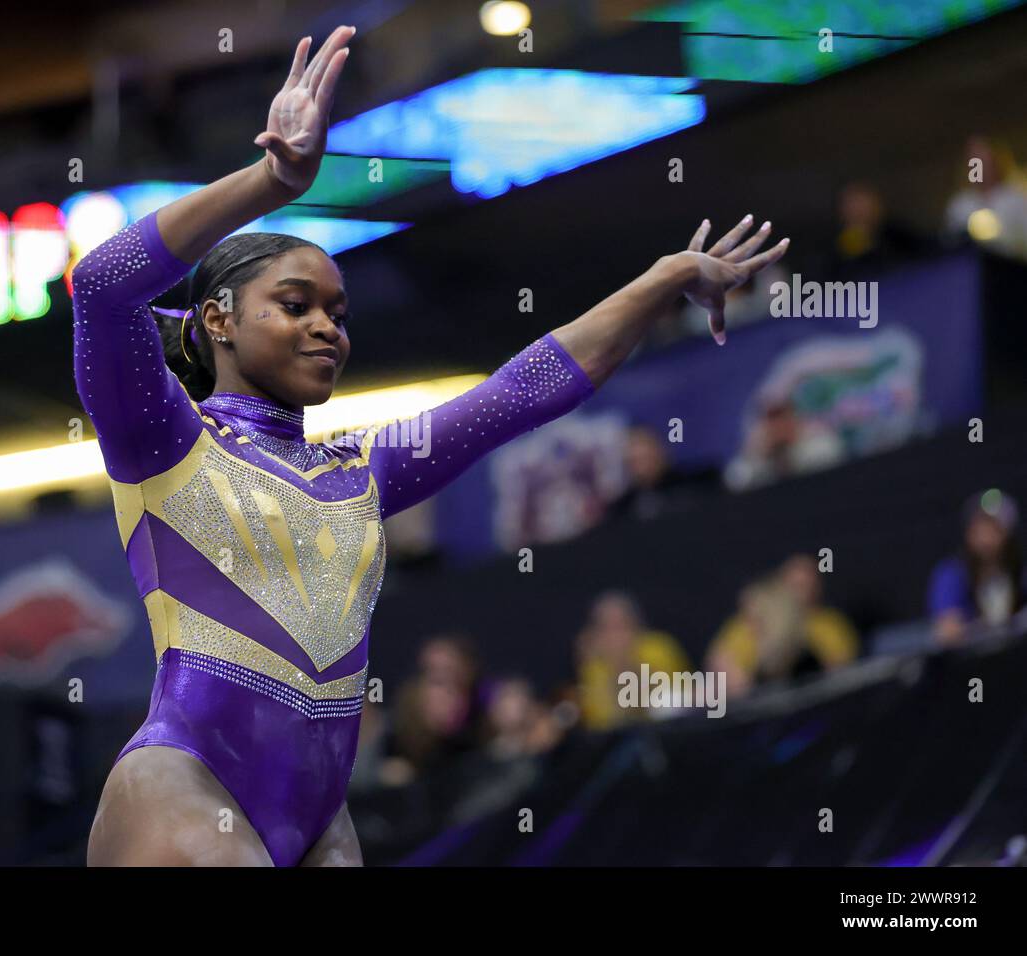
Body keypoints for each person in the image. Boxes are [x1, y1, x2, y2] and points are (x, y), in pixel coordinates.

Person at [74, 24, 789, 866]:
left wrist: (664, 278)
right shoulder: (166, 440)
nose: (325, 329)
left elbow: (523, 389)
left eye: (338, 314)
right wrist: (274, 179)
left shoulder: (362, 472)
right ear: (220, 320)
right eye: (296, 304)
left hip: (318, 817)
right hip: (186, 784)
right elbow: (101, 286)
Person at [573, 592, 691, 731]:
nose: (614, 636)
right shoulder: (594, 666)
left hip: (672, 731)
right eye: (605, 628)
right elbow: (606, 722)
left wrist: (621, 661)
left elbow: (656, 705)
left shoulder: (657, 648)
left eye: (621, 626)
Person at [928, 490, 1025, 644]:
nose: (985, 538)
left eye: (993, 529)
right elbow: (947, 630)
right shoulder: (953, 573)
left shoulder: (1020, 570)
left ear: (1007, 534)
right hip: (973, 660)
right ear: (969, 533)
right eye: (979, 529)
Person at [944, 135, 1027, 261]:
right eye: (973, 161)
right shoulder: (960, 204)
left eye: (982, 160)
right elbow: (951, 242)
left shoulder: (1015, 199)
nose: (977, 168)